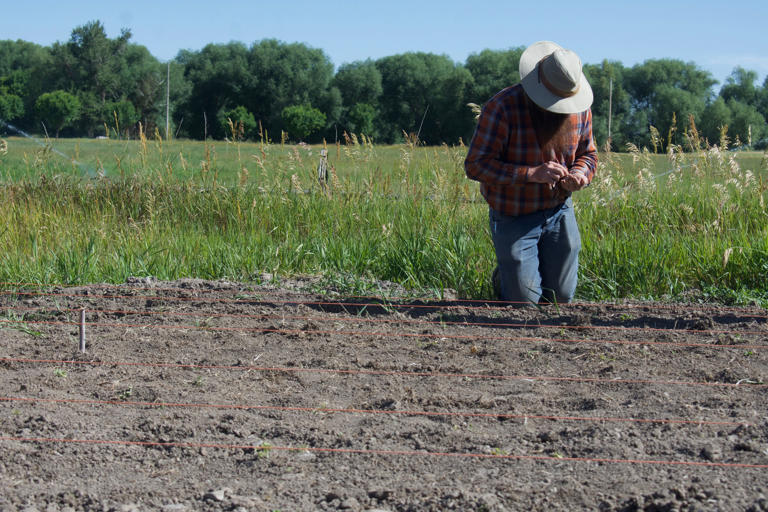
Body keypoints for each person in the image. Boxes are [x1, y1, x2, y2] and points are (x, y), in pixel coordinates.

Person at [464, 41, 597, 305]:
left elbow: (588, 154)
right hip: (514, 214)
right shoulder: (502, 108)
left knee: (561, 298)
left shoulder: (579, 108)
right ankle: (507, 278)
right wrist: (531, 173)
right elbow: (476, 165)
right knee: (524, 303)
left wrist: (580, 175)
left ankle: (517, 275)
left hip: (559, 210)